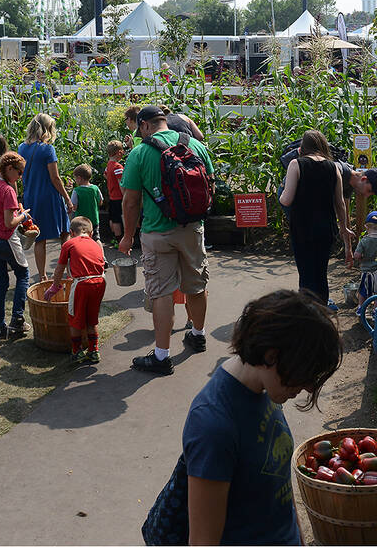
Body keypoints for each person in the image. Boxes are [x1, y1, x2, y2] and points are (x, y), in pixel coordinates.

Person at [144, 290, 339, 546]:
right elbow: (203, 542)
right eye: (306, 375)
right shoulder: (214, 424)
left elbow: (278, 482)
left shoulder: (267, 388)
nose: (310, 388)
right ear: (271, 356)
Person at [120, 106, 213, 376]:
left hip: (157, 232)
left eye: (139, 129)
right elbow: (211, 185)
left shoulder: (139, 153)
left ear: (145, 125)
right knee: (196, 284)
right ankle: (198, 334)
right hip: (193, 228)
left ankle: (162, 356)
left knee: (161, 292)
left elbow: (130, 201)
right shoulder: (195, 145)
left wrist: (127, 236)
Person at [279, 130, 353, 306]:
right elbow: (340, 203)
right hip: (326, 229)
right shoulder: (333, 166)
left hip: (303, 228)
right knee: (320, 273)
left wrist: (281, 192)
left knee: (306, 274)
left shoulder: (296, 164)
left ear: (302, 147)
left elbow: (286, 200)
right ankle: (322, 310)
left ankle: (308, 317)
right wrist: (343, 227)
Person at [0, 152, 32, 340]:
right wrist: (24, 216)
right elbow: (9, 223)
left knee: (1, 283)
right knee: (23, 274)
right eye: (19, 173)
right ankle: (17, 320)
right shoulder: (7, 190)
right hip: (4, 238)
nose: (20, 177)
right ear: (9, 169)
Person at [18, 113, 73, 281]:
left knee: (39, 237)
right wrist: (67, 198)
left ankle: (42, 276)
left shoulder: (22, 147)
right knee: (65, 233)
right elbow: (54, 178)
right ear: (47, 129)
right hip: (49, 197)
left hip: (31, 197)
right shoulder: (47, 149)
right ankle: (69, 273)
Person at [44, 216, 106, 364]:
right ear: (90, 233)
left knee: (75, 319)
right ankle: (94, 350)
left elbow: (59, 268)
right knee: (92, 319)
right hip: (100, 281)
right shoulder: (96, 244)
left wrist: (55, 286)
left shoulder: (69, 243)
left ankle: (77, 351)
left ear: (71, 232)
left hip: (82, 284)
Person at [69, 164, 103, 242]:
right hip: (94, 220)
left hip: (81, 221)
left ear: (79, 178)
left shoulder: (77, 191)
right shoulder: (95, 188)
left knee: (80, 239)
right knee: (96, 238)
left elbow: (74, 207)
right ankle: (101, 253)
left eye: (75, 178)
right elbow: (100, 202)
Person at [352, 210, 377, 312]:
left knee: (363, 290)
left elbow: (357, 255)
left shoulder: (364, 241)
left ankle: (361, 307)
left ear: (366, 227)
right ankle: (376, 309)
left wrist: (361, 258)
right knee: (376, 292)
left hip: (366, 270)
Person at [104, 140, 125, 245]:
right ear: (118, 152)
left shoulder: (109, 165)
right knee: (118, 220)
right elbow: (121, 183)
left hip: (112, 196)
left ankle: (114, 237)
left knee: (112, 218)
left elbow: (105, 174)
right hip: (119, 197)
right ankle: (119, 240)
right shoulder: (117, 167)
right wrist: (126, 195)